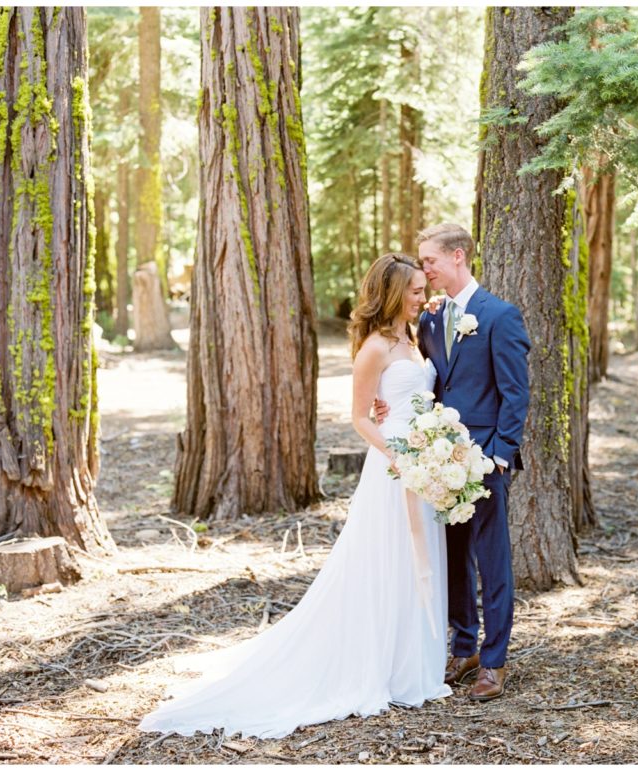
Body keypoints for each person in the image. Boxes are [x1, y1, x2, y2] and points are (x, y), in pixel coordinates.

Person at [138, 253, 451, 739]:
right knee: (386, 559)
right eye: (413, 290)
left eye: (421, 289)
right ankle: (379, 662)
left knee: (419, 558)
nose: (420, 295)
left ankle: (413, 661)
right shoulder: (374, 348)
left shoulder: (414, 335)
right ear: (392, 293)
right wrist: (399, 454)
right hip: (394, 468)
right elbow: (361, 416)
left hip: (423, 464)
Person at [378, 223, 530, 701]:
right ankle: (463, 648)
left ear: (458, 256)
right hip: (439, 462)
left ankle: (494, 661)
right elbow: (427, 383)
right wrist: (389, 407)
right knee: (453, 560)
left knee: (492, 561)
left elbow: (515, 392)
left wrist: (500, 456)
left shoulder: (500, 315)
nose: (424, 270)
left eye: (430, 262)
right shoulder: (429, 318)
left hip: (484, 461)